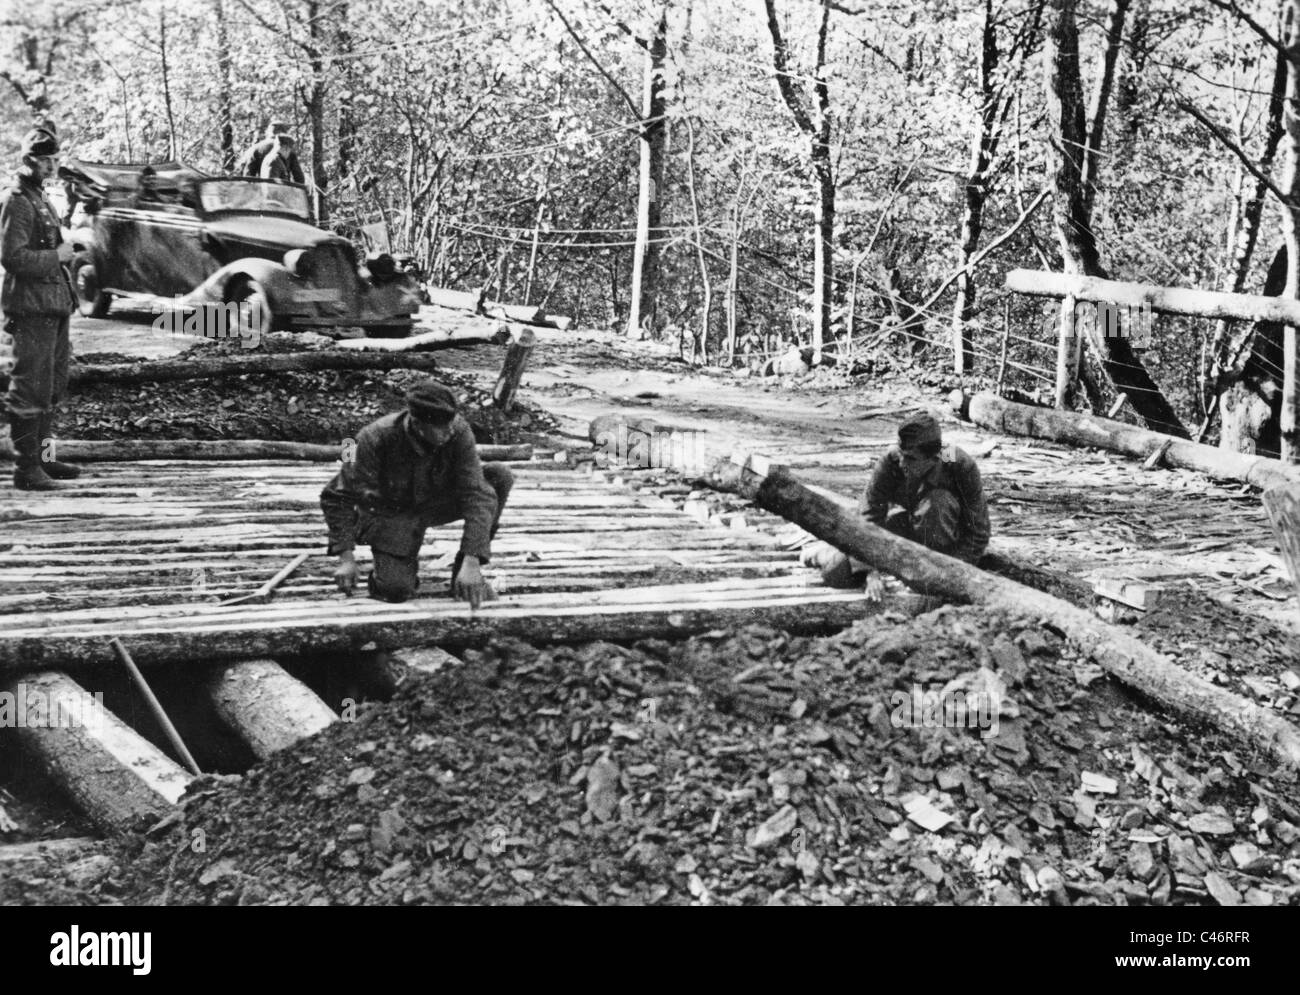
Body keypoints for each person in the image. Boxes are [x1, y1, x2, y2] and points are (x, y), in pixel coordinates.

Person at [320, 379, 514, 607]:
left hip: (435, 502)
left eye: (450, 422)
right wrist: (346, 557)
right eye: (440, 426)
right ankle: (385, 572)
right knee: (396, 590)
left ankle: (463, 576)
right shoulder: (371, 438)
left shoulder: (458, 431)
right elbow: (336, 496)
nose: (450, 430)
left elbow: (476, 495)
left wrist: (473, 561)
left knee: (498, 475)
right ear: (417, 424)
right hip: (392, 514)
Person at [802, 410, 990, 592]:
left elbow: (978, 532)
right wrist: (870, 571)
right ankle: (822, 552)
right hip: (900, 530)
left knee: (938, 503)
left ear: (933, 458)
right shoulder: (891, 460)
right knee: (835, 573)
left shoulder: (959, 465)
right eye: (901, 453)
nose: (901, 462)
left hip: (941, 540)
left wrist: (953, 572)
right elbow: (869, 517)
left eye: (909, 458)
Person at [1, 126, 81, 491]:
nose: (52, 166)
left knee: (52, 386)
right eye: (46, 160)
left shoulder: (38, 196)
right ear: (29, 160)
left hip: (52, 304)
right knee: (30, 387)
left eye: (54, 159)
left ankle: (46, 461)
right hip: (31, 307)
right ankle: (26, 469)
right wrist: (57, 256)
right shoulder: (17, 200)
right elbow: (12, 257)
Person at [240, 121, 305, 184]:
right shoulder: (287, 149)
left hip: (262, 190)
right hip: (283, 192)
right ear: (284, 132)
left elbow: (248, 177)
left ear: (269, 132)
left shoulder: (255, 148)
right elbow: (299, 178)